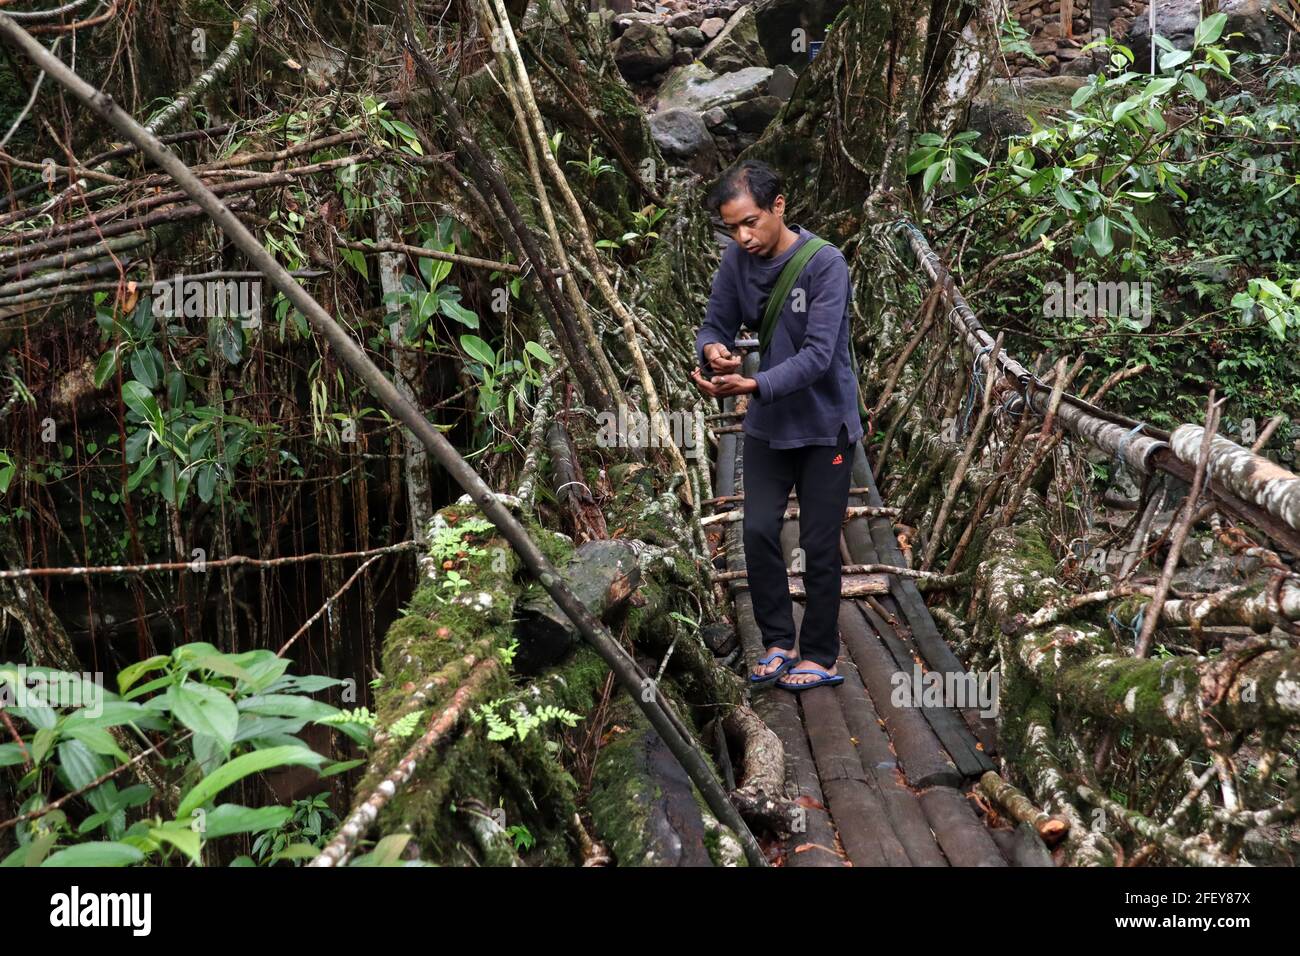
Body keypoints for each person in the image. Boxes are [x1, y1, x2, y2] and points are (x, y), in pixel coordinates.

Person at [691, 159, 863, 692]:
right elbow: (716, 322)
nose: (742, 236)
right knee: (759, 530)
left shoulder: (825, 265)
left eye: (750, 223)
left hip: (824, 426)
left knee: (816, 541)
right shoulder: (736, 263)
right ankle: (777, 642)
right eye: (732, 227)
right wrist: (712, 353)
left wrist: (749, 386)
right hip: (769, 425)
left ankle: (818, 654)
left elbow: (817, 355)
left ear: (778, 207)